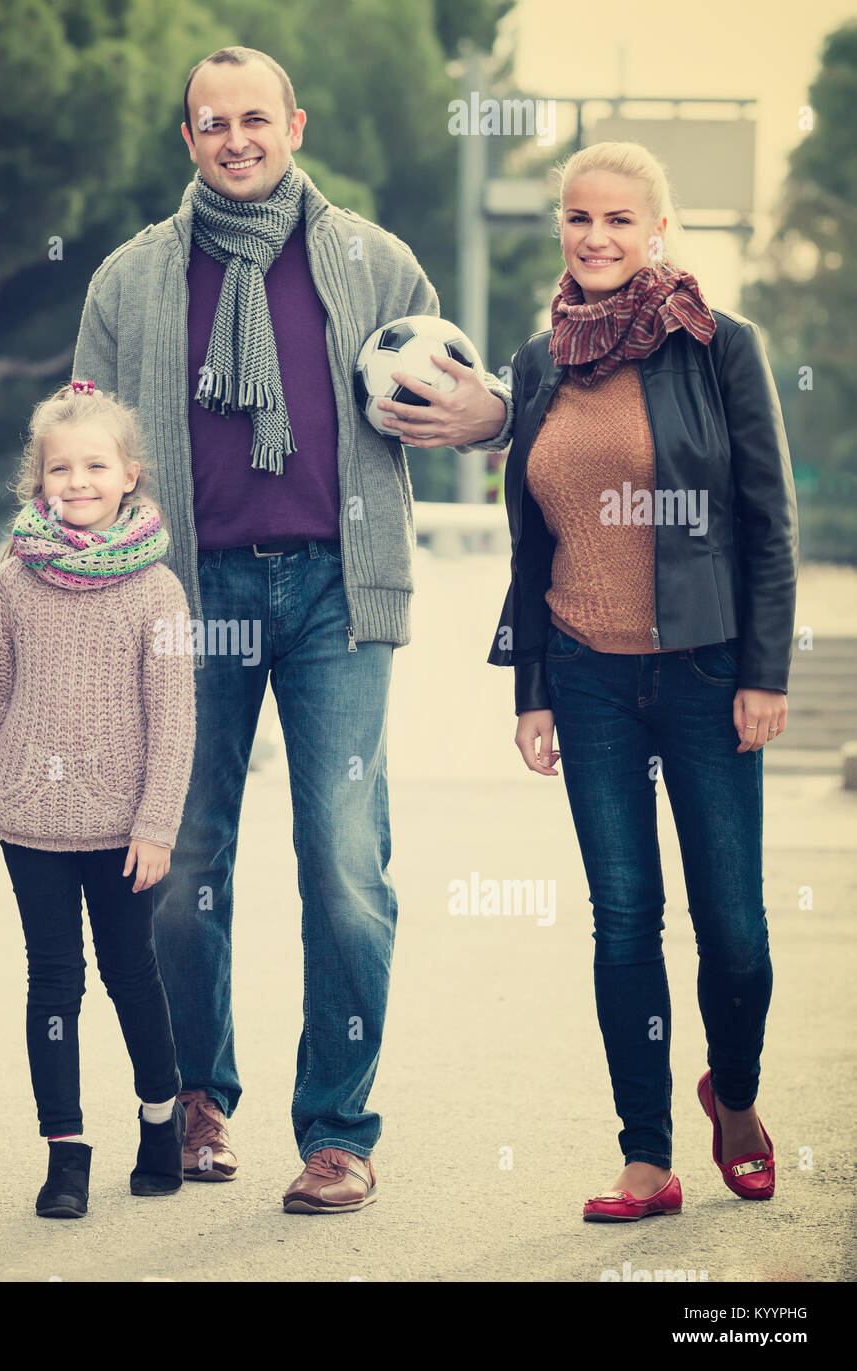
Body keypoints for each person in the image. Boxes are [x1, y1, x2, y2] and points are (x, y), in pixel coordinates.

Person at [73, 46, 514, 1213]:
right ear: (188, 139)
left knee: (343, 863)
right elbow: (78, 458)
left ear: (295, 125)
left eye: (254, 119)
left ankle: (336, 1131)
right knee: (177, 865)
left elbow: (461, 399)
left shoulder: (376, 262)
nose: (235, 139)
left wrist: (492, 415)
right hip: (185, 597)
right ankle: (199, 1100)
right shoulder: (127, 281)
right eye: (211, 123)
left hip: (338, 590)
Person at [487, 142, 798, 1221]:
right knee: (623, 918)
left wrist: (763, 670)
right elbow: (527, 540)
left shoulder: (720, 349)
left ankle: (737, 1094)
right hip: (584, 672)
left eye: (619, 219)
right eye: (579, 219)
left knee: (736, 931)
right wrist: (528, 684)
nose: (597, 237)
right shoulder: (540, 362)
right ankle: (646, 1157)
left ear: (656, 230)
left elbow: (769, 520)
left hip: (709, 669)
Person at [0, 381, 196, 1218]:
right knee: (53, 981)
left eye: (94, 465)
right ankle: (65, 1150)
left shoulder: (157, 591)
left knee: (131, 973)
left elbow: (174, 721)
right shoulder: (15, 576)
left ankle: (161, 1119)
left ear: (129, 475)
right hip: (31, 821)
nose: (76, 481)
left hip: (123, 829)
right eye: (59, 468)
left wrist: (156, 827)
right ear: (36, 481)